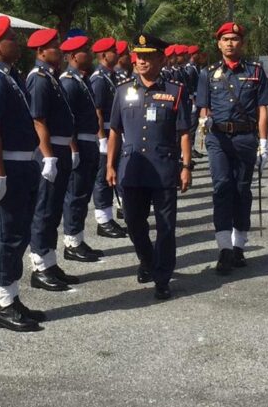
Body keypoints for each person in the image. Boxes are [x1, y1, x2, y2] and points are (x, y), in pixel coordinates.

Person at [107, 33, 191, 300]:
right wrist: (109, 165)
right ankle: (147, 260)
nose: (141, 61)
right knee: (134, 223)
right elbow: (114, 131)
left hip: (164, 167)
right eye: (138, 56)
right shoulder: (122, 90)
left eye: (147, 56)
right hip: (131, 169)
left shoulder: (175, 91)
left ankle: (162, 277)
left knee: (166, 227)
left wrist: (186, 165)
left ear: (160, 58)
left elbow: (184, 132)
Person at [0, 15, 45, 332]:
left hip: (22, 165)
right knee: (6, 235)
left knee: (18, 233)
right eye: (12, 39)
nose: (17, 43)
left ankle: (12, 296)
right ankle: (2, 304)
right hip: (6, 166)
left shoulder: (10, 76)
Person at [196, 21, 268, 274]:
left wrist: (263, 143)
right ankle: (224, 249)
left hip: (246, 138)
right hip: (218, 139)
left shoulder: (256, 72)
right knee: (221, 187)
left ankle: (239, 245)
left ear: (242, 43)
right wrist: (203, 122)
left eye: (235, 39)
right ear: (218, 43)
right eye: (225, 39)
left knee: (242, 190)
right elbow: (203, 107)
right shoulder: (208, 73)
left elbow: (262, 110)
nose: (230, 43)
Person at [26, 28, 80, 291]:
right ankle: (39, 265)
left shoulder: (51, 76)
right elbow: (38, 121)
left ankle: (50, 261)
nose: (59, 50)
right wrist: (48, 157)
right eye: (54, 46)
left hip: (60, 149)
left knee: (54, 209)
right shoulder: (38, 79)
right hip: (50, 152)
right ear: (40, 51)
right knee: (44, 210)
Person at [59, 35, 106, 262]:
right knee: (75, 194)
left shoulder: (81, 79)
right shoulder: (68, 81)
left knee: (83, 193)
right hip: (79, 142)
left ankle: (77, 237)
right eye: (84, 51)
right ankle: (71, 242)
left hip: (89, 142)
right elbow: (66, 119)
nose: (89, 54)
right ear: (73, 56)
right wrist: (73, 148)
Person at [90, 37, 127, 239]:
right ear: (104, 55)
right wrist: (102, 138)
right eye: (114, 51)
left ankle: (109, 216)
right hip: (104, 132)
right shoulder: (98, 79)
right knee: (104, 176)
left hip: (114, 131)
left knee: (114, 173)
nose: (118, 54)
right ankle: (103, 219)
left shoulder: (110, 77)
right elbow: (97, 112)